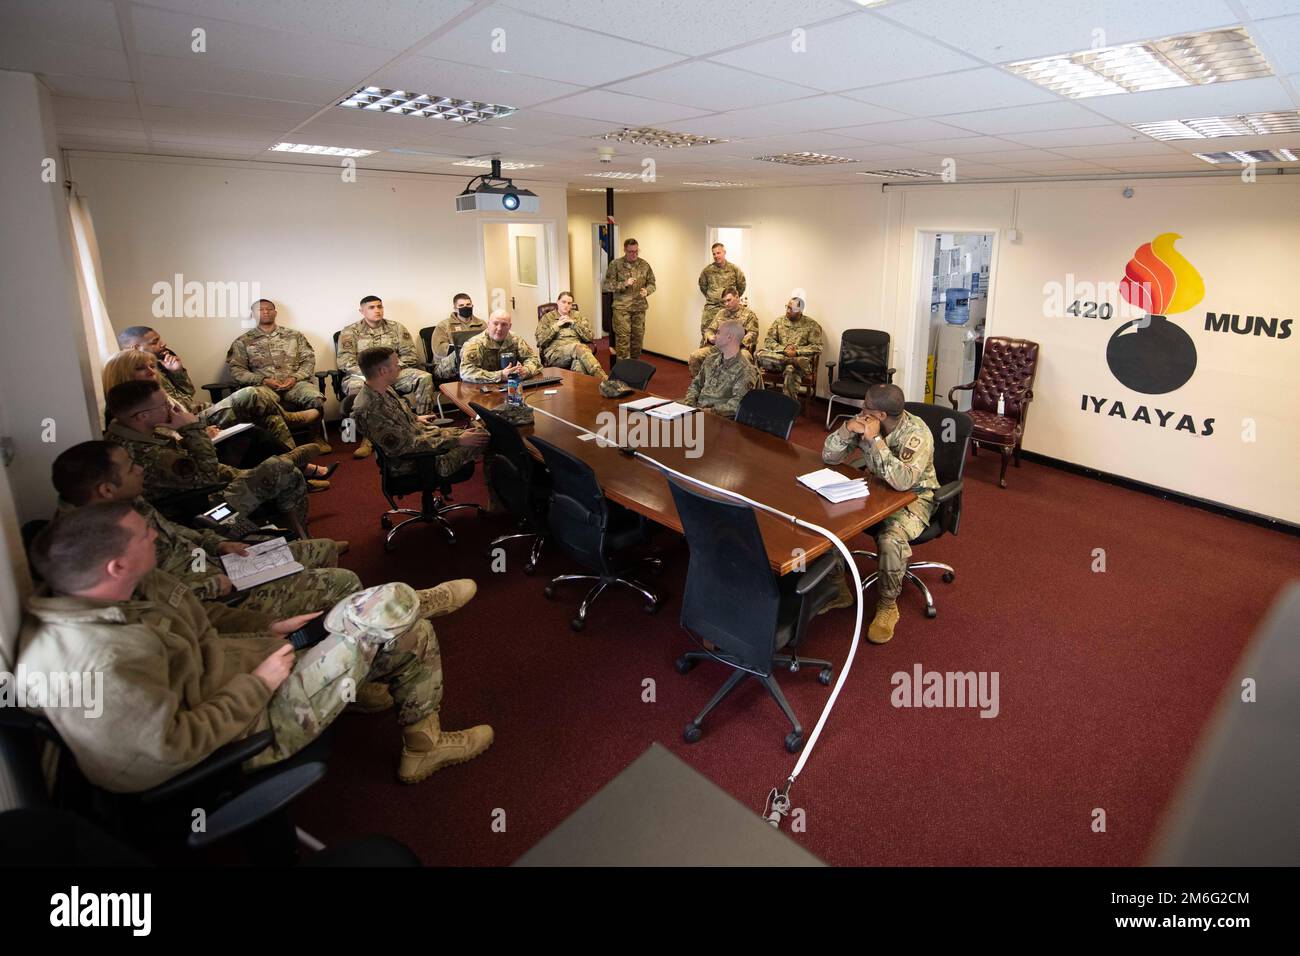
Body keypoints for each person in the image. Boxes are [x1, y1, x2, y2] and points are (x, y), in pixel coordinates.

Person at [18, 502, 493, 792]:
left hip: (247, 668)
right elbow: (167, 753)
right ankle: (414, 602)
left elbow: (205, 625)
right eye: (146, 536)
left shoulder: (137, 588)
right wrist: (255, 684)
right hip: (246, 730)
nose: (157, 539)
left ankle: (421, 746)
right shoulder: (92, 663)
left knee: (410, 633)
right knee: (390, 612)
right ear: (115, 566)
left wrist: (271, 628)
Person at [51, 441, 355, 612]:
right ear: (105, 489)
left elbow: (173, 530)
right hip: (210, 597)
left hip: (215, 563)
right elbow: (149, 601)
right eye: (131, 468)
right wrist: (212, 584)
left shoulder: (124, 503)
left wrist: (216, 543)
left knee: (324, 549)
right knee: (343, 581)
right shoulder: (91, 543)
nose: (140, 470)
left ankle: (313, 609)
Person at [104, 380, 316, 539]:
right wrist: (192, 429)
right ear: (143, 416)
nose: (172, 409)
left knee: (274, 465)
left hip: (192, 492)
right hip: (198, 508)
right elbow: (205, 476)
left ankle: (297, 534)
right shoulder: (146, 454)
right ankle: (304, 540)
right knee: (284, 472)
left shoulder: (129, 432)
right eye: (164, 406)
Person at [102, 349, 334, 484]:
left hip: (197, 426)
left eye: (152, 366)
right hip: (195, 440)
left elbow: (186, 400)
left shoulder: (155, 389)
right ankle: (295, 451)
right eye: (143, 369)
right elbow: (168, 441)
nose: (152, 372)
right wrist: (199, 432)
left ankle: (297, 471)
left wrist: (177, 373)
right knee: (253, 394)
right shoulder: (129, 405)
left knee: (263, 423)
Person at [821, 383, 939, 645]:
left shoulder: (916, 434)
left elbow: (903, 481)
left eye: (867, 408)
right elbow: (828, 456)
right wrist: (846, 429)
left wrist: (874, 440)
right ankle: (837, 587)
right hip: (875, 490)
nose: (862, 411)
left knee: (890, 539)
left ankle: (887, 605)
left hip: (914, 498)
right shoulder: (865, 420)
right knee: (827, 513)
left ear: (881, 416)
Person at [353, 347, 490, 477]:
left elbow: (393, 417)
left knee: (482, 425)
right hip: (418, 462)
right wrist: (458, 440)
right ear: (383, 371)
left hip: (422, 437)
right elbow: (405, 447)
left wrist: (415, 418)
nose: (399, 367)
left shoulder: (382, 389)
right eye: (395, 364)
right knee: (486, 437)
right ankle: (498, 495)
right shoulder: (371, 408)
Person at [337, 295, 434, 459]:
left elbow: (411, 355)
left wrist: (392, 369)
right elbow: (345, 361)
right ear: (362, 311)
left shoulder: (397, 328)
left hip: (395, 371)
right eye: (372, 307)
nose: (377, 310)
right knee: (358, 389)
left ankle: (422, 425)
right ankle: (367, 439)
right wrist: (372, 374)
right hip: (363, 375)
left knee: (424, 377)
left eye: (379, 306)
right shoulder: (349, 332)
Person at [224, 301, 328, 429]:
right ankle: (282, 431)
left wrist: (295, 377)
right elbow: (237, 370)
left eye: (269, 309)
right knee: (258, 402)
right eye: (260, 310)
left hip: (295, 385)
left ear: (275, 312)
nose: (266, 312)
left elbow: (308, 360)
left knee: (315, 397)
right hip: (263, 387)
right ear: (253, 314)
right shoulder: (242, 341)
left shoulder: (294, 336)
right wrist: (263, 380)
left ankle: (317, 437)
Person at [682, 319, 758, 420]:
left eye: (718, 332)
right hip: (697, 413)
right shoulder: (711, 359)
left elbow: (737, 404)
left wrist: (707, 412)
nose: (714, 336)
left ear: (729, 337)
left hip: (719, 421)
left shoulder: (745, 370)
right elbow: (696, 384)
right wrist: (689, 404)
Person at [755, 297, 825, 401]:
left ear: (800, 310)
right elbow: (768, 340)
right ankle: (758, 401)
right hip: (778, 358)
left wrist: (796, 352)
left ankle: (786, 408)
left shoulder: (811, 325)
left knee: (791, 370)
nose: (788, 311)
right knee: (757, 354)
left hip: (799, 362)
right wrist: (784, 349)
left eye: (791, 309)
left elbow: (817, 347)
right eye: (787, 307)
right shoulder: (779, 322)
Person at [601, 238, 655, 362]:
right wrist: (624, 283)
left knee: (637, 340)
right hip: (622, 309)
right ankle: (622, 372)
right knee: (623, 341)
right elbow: (607, 285)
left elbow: (652, 283)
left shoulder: (644, 265)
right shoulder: (616, 264)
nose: (634, 254)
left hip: (639, 309)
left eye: (636, 251)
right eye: (631, 251)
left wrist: (647, 291)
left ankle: (634, 369)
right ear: (625, 250)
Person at [687, 288, 759, 377]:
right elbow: (709, 330)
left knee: (745, 358)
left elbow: (753, 333)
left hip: (739, 349)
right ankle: (702, 386)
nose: (726, 304)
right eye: (724, 302)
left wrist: (737, 343)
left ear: (737, 297)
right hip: (719, 347)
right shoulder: (721, 313)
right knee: (695, 356)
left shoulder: (749, 314)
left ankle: (740, 389)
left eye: (729, 300)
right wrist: (710, 337)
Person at [458, 310, 542, 384]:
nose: (499, 328)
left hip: (510, 387)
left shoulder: (515, 339)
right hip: (482, 389)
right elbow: (466, 372)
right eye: (495, 323)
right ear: (488, 324)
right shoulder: (475, 344)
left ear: (510, 326)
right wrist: (500, 375)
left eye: (504, 324)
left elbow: (533, 359)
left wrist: (526, 371)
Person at [536, 292, 606, 379]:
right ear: (557, 302)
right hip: (555, 354)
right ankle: (604, 380)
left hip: (579, 352)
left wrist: (574, 323)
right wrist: (557, 325)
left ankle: (581, 391)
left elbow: (590, 337)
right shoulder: (547, 318)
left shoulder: (577, 316)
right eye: (563, 302)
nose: (566, 305)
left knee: (578, 364)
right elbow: (540, 341)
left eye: (569, 303)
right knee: (578, 348)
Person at [427, 292, 485, 379]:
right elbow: (438, 350)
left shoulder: (481, 324)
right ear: (455, 309)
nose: (465, 307)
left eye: (468, 304)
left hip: (475, 361)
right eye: (461, 306)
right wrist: (463, 349)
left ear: (472, 306)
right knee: (463, 354)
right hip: (446, 364)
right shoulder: (444, 325)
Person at [697, 243, 746, 346]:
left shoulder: (734, 269)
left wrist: (731, 301)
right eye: (714, 254)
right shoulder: (707, 271)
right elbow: (703, 286)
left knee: (728, 337)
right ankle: (704, 359)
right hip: (711, 309)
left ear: (724, 252)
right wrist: (713, 297)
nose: (716, 256)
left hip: (728, 309)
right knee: (707, 336)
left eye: (718, 253)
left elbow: (741, 286)